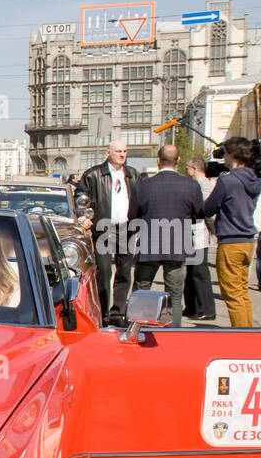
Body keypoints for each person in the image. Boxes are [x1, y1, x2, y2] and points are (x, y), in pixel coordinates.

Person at [129, 144, 203, 327]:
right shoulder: (191, 185)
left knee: (142, 290)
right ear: (178, 161)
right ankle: (174, 333)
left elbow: (132, 216)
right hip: (178, 245)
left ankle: (139, 329)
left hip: (149, 245)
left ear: (158, 160)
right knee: (175, 294)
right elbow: (199, 214)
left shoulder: (143, 186)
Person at [202, 137, 261, 328]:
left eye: (226, 154)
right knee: (242, 293)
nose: (225, 159)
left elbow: (208, 208)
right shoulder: (255, 179)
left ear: (234, 156)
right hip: (248, 240)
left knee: (232, 294)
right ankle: (247, 330)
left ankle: (241, 336)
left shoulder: (228, 181)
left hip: (230, 241)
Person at [76, 139, 138, 325]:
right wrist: (83, 216)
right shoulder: (93, 175)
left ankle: (117, 313)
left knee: (124, 272)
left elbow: (138, 199)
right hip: (103, 227)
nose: (122, 154)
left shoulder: (132, 175)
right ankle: (102, 314)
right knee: (103, 271)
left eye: (125, 151)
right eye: (118, 151)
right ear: (108, 153)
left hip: (126, 228)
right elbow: (81, 198)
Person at [183, 156, 217, 320]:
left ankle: (206, 308)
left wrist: (213, 231)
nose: (186, 171)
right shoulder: (198, 185)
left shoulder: (205, 186)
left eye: (187, 168)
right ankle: (192, 306)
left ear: (194, 169)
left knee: (200, 272)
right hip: (193, 233)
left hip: (199, 233)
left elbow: (204, 211)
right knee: (191, 272)